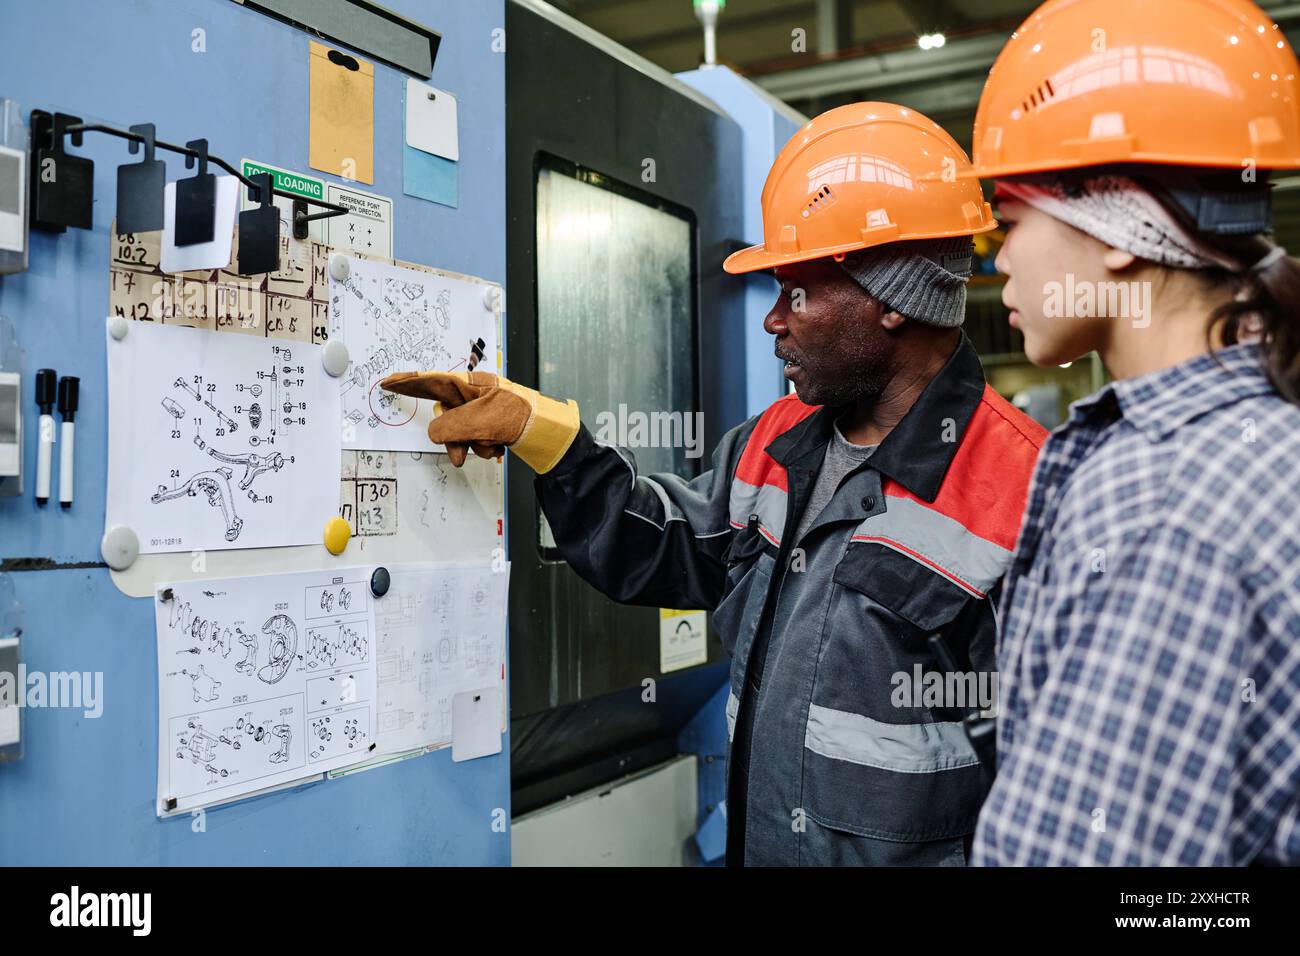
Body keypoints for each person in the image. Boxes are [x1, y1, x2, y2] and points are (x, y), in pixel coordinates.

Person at [382, 103, 1046, 865]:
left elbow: (1062, 798)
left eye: (795, 290)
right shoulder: (777, 443)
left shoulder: (1025, 494)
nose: (773, 322)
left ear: (891, 297)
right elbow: (659, 543)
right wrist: (542, 432)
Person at [966, 0, 1300, 865]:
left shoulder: (1165, 501)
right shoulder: (1260, 442)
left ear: (1113, 227)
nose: (998, 261)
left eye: (1010, 222)